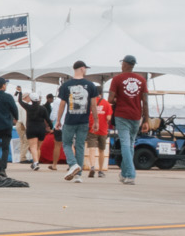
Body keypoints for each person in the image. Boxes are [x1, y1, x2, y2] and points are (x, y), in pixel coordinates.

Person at [56, 60, 99, 183]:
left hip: (70, 120)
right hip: (83, 120)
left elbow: (62, 105)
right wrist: (96, 121)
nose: (86, 70)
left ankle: (73, 164)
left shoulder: (65, 86)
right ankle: (78, 175)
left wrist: (58, 120)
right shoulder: (90, 85)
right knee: (80, 146)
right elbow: (93, 105)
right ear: (81, 68)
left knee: (66, 143)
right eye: (85, 68)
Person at [106, 54, 146, 184]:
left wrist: (119, 98)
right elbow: (145, 101)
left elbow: (110, 100)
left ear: (124, 64)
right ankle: (124, 173)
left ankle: (130, 174)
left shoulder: (117, 79)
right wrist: (146, 120)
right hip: (136, 116)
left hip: (122, 115)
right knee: (130, 145)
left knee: (125, 144)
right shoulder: (142, 80)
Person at [86, 78, 112, 176]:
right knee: (101, 151)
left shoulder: (90, 103)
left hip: (92, 129)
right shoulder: (106, 104)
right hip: (103, 130)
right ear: (101, 92)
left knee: (92, 149)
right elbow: (109, 117)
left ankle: (92, 166)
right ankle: (100, 170)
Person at [21, 89, 51, 170]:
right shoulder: (43, 108)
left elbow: (20, 101)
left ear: (31, 99)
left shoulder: (29, 107)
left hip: (31, 128)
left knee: (33, 147)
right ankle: (36, 162)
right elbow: (47, 119)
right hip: (41, 129)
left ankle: (36, 162)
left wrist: (19, 92)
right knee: (38, 147)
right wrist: (51, 127)